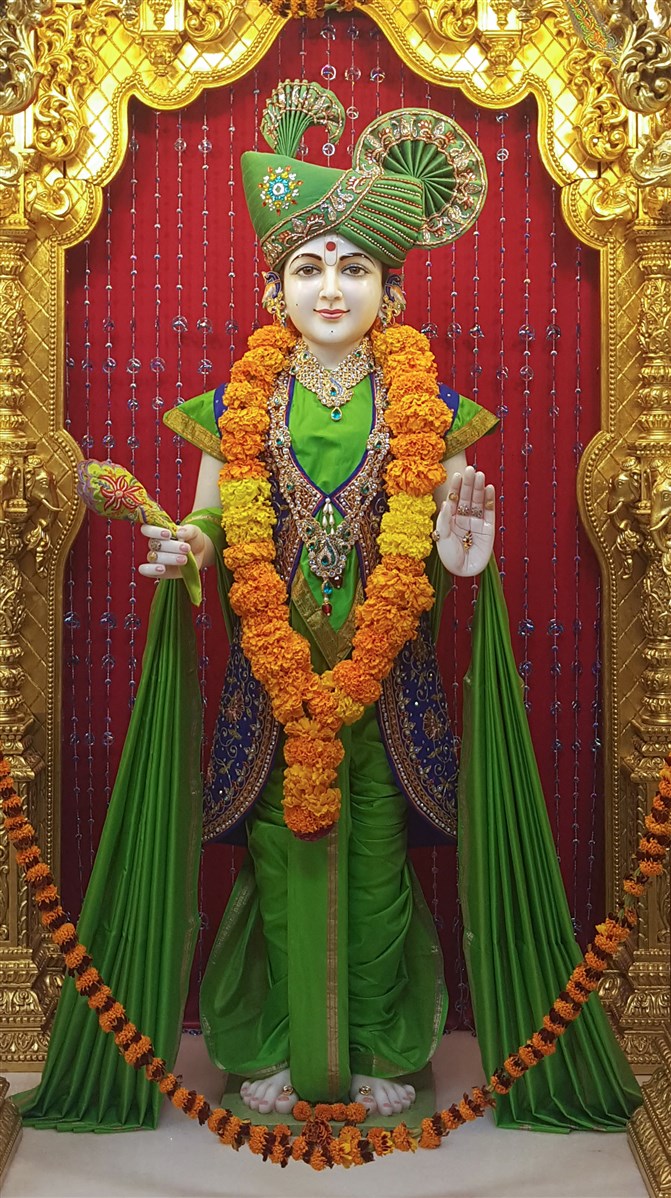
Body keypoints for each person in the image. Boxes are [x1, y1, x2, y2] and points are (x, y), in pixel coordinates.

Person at [17, 81, 640, 1135]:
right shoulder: (236, 404)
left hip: (385, 686)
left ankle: (380, 1049)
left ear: (388, 291)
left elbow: (447, 538)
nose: (330, 285)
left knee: (380, 867)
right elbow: (214, 526)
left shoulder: (430, 408)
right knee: (274, 859)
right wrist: (186, 548)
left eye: (353, 267)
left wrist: (459, 553)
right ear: (275, 293)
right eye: (308, 267)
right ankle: (267, 1048)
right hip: (268, 687)